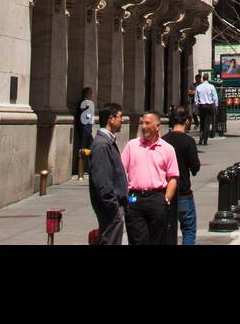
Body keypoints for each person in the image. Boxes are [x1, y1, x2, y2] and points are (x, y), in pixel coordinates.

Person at [120, 111, 178, 246]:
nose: (143, 126)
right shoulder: (131, 146)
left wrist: (166, 200)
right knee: (137, 240)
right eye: (142, 123)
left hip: (157, 199)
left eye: (147, 123)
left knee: (156, 240)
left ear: (157, 126)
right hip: (134, 199)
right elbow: (121, 173)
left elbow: (173, 178)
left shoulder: (168, 149)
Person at [88, 103, 127, 246]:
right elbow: (102, 180)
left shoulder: (107, 142)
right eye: (120, 117)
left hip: (112, 208)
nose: (121, 120)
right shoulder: (102, 145)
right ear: (111, 119)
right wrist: (113, 206)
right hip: (109, 209)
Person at [163, 106, 201, 246]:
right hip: (183, 192)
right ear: (186, 121)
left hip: (166, 192)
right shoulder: (188, 141)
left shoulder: (163, 140)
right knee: (189, 230)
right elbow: (195, 168)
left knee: (167, 230)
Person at [73, 87, 95, 174]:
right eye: (90, 93)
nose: (92, 95)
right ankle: (80, 170)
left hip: (87, 130)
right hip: (84, 130)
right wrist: (86, 130)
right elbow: (82, 119)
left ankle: (88, 168)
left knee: (90, 149)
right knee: (82, 149)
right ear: (86, 94)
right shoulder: (83, 103)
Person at [194, 72, 219, 145]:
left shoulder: (198, 87)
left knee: (202, 123)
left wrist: (197, 107)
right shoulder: (211, 87)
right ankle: (205, 140)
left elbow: (196, 100)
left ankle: (201, 139)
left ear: (202, 78)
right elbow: (215, 98)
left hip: (202, 106)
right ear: (208, 78)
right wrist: (216, 106)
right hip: (209, 106)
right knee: (207, 124)